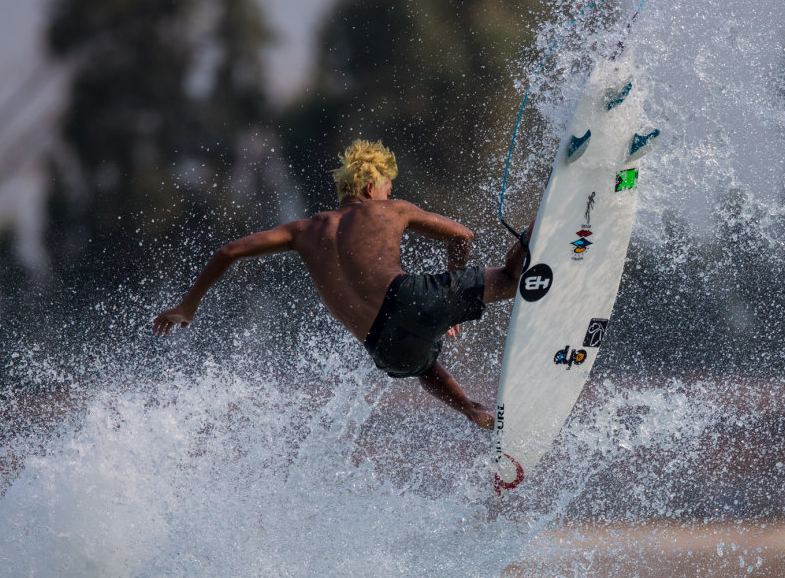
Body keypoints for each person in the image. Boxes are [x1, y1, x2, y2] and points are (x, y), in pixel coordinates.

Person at [152, 140, 528, 428]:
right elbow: (462, 236)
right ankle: (540, 225)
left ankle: (473, 410)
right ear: (368, 187)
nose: (389, 195)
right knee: (512, 279)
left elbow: (230, 250)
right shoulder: (392, 210)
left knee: (423, 367)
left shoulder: (303, 230)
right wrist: (453, 289)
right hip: (409, 298)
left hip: (380, 346)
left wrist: (188, 306)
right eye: (387, 187)